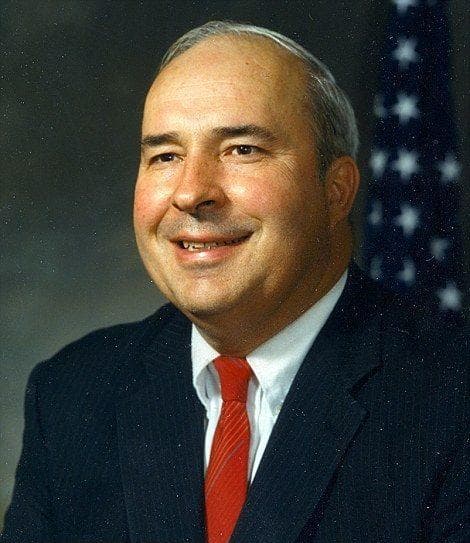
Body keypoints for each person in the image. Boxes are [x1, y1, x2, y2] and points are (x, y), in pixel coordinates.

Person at [2, 21, 468, 543]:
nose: (190, 193)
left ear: (336, 190)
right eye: (165, 156)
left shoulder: (450, 395)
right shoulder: (71, 394)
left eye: (242, 149)